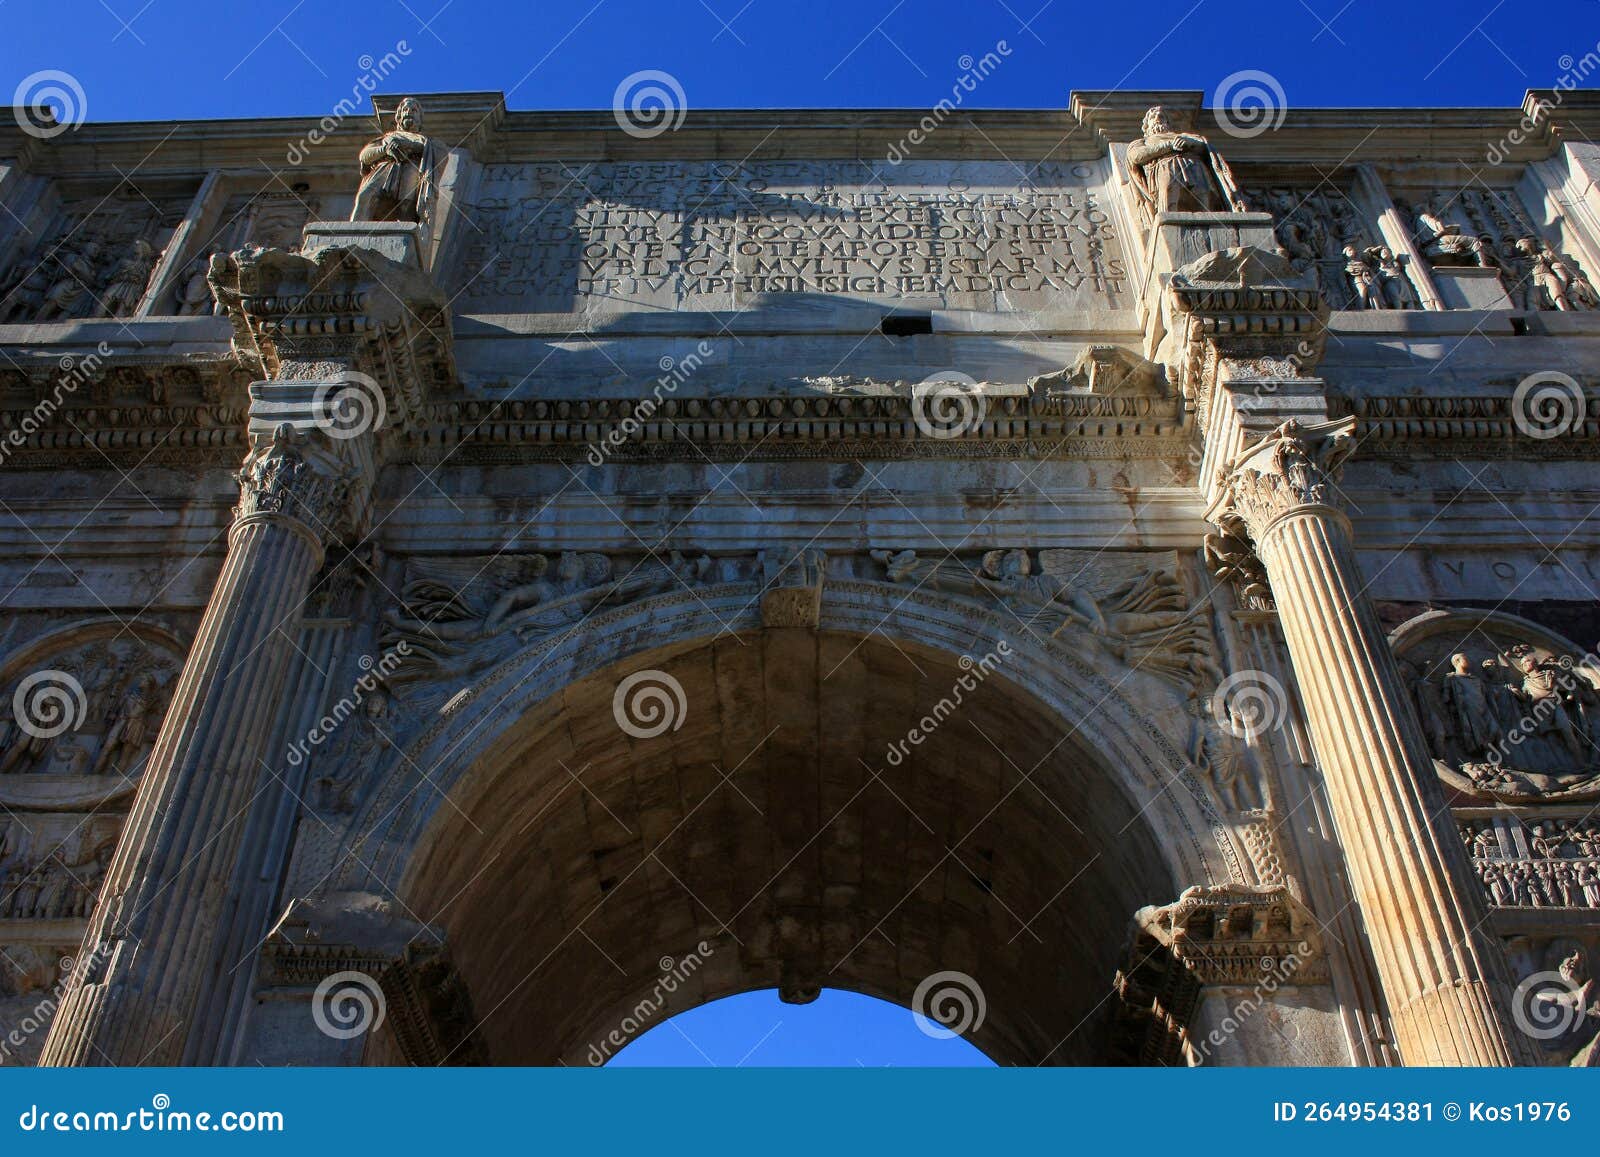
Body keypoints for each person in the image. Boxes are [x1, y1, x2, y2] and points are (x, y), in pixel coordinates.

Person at [351, 98, 442, 225]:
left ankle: (407, 235)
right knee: (365, 197)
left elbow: (438, 155)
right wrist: (385, 149)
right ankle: (354, 231)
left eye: (413, 110)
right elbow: (364, 156)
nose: (408, 112)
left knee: (406, 207)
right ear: (399, 116)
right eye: (405, 109)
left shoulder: (425, 141)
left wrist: (408, 144)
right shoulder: (387, 137)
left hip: (411, 169)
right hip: (384, 168)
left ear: (420, 119)